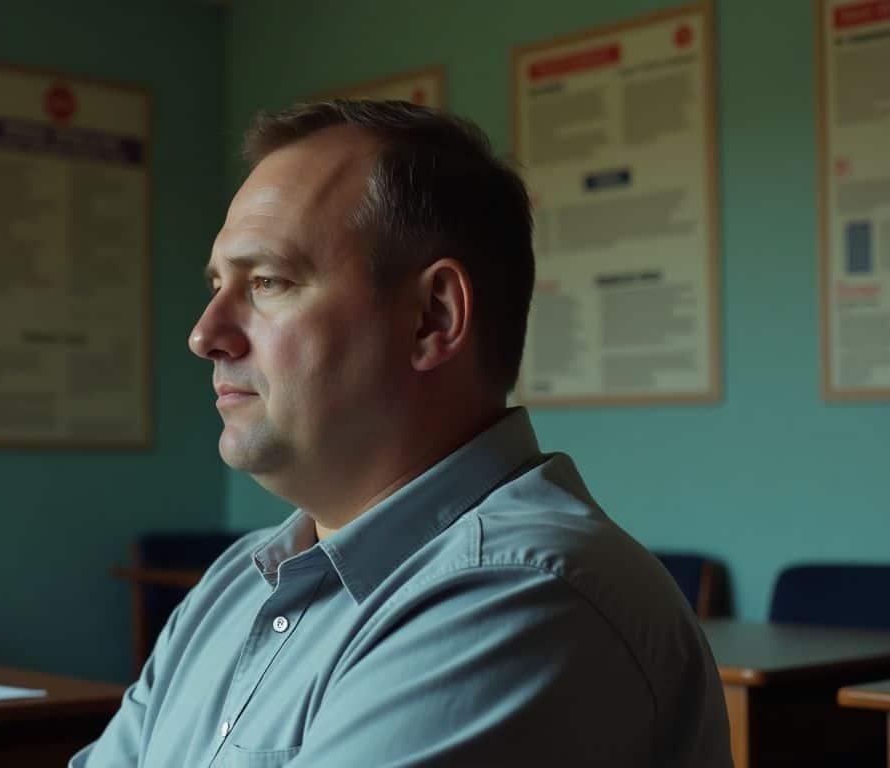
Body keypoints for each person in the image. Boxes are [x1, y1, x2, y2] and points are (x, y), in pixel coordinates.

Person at [71, 100, 731, 767]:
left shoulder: (515, 600)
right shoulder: (234, 586)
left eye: (267, 281)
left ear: (431, 319)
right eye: (218, 284)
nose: (204, 333)